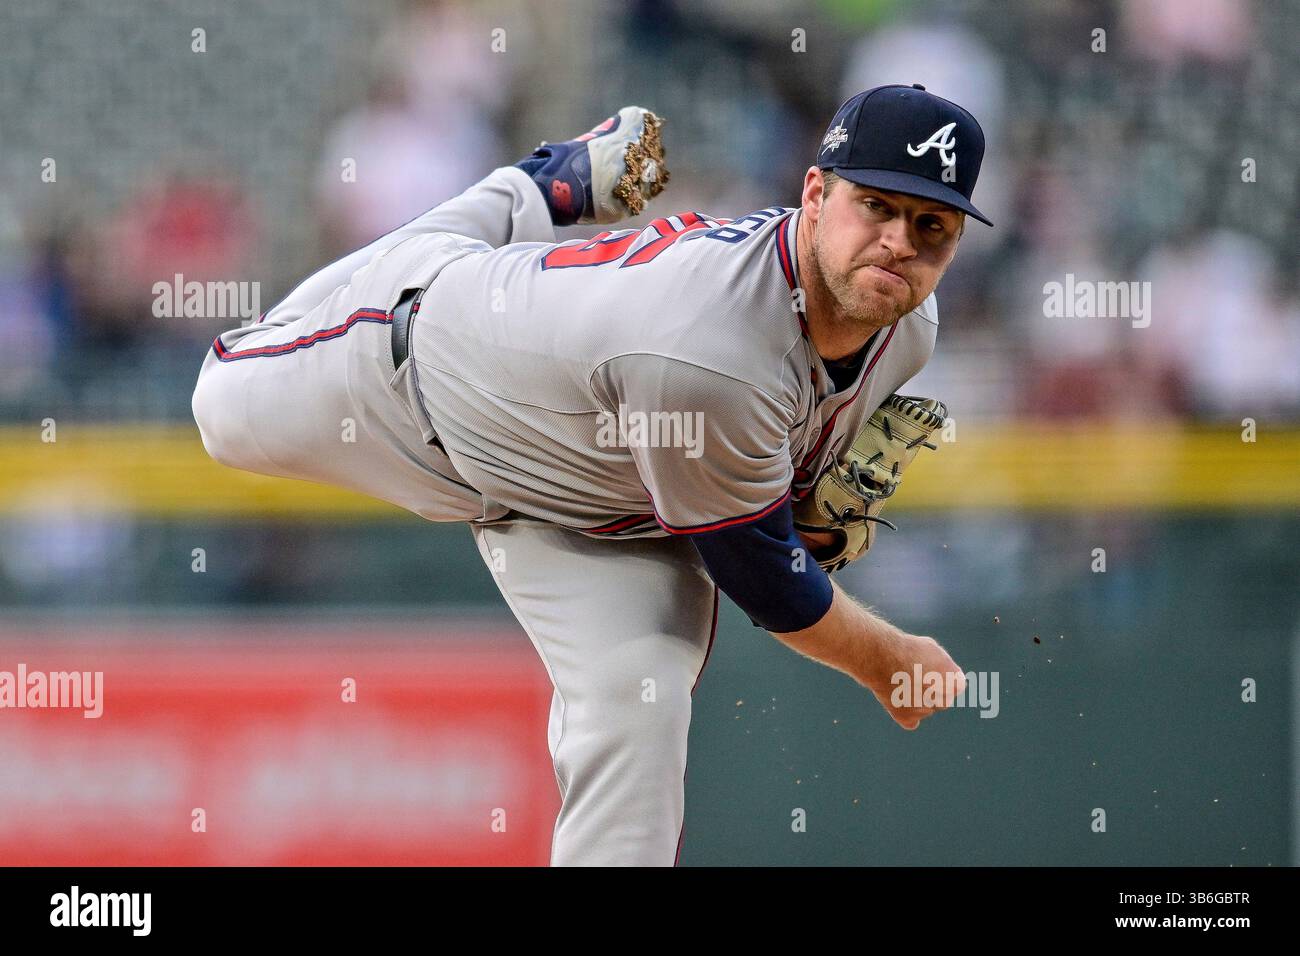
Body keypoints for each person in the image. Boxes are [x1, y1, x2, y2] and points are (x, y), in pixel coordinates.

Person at [192, 87, 993, 866]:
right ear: (814, 195)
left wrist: (806, 521)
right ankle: (537, 186)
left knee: (637, 700)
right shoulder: (708, 349)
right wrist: (888, 659)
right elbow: (769, 583)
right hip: (418, 382)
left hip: (596, 515)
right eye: (876, 207)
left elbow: (775, 511)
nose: (900, 241)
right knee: (218, 409)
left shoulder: (905, 327)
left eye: (932, 225)